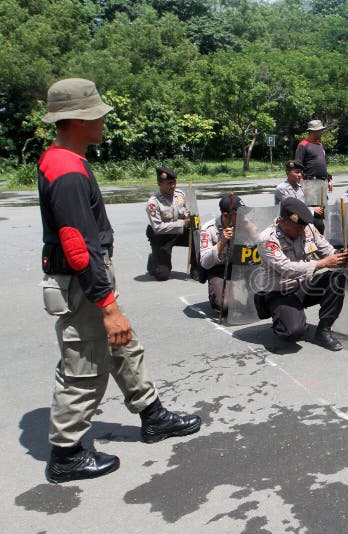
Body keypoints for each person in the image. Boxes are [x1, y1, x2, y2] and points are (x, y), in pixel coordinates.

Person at [37, 78, 201, 483]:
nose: (104, 120)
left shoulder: (68, 160)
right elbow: (77, 245)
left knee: (124, 348)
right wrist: (107, 305)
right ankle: (66, 453)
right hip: (83, 281)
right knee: (84, 367)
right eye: (97, 115)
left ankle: (153, 415)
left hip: (88, 278)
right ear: (77, 120)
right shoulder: (67, 171)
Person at [255, 198, 348, 351]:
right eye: (297, 229)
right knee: (293, 332)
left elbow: (326, 250)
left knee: (337, 278)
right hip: (280, 291)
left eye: (303, 228)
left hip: (304, 286)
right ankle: (277, 312)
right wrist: (322, 263)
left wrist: (341, 256)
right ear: (284, 221)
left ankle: (324, 330)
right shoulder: (267, 239)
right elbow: (286, 268)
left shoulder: (308, 228)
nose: (301, 232)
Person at [145, 166, 199, 281]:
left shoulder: (179, 194)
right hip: (161, 236)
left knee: (196, 237)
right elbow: (158, 228)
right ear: (160, 184)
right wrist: (183, 223)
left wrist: (188, 217)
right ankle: (153, 261)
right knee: (162, 275)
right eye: (169, 183)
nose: (173, 186)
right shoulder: (153, 203)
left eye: (174, 182)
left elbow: (184, 211)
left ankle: (196, 269)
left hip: (178, 232)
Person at [198, 195, 246, 314]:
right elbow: (205, 262)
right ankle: (214, 294)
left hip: (238, 266)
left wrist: (253, 231)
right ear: (226, 215)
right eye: (239, 214)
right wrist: (222, 241)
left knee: (253, 300)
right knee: (225, 306)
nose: (243, 217)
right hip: (218, 269)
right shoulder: (208, 229)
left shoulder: (244, 225)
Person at [295, 119, 333, 192]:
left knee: (322, 203)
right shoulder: (303, 145)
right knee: (312, 203)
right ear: (313, 131)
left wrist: (329, 179)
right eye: (320, 130)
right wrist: (301, 183)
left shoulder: (320, 145)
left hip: (322, 183)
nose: (322, 132)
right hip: (309, 183)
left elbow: (322, 166)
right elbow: (297, 165)